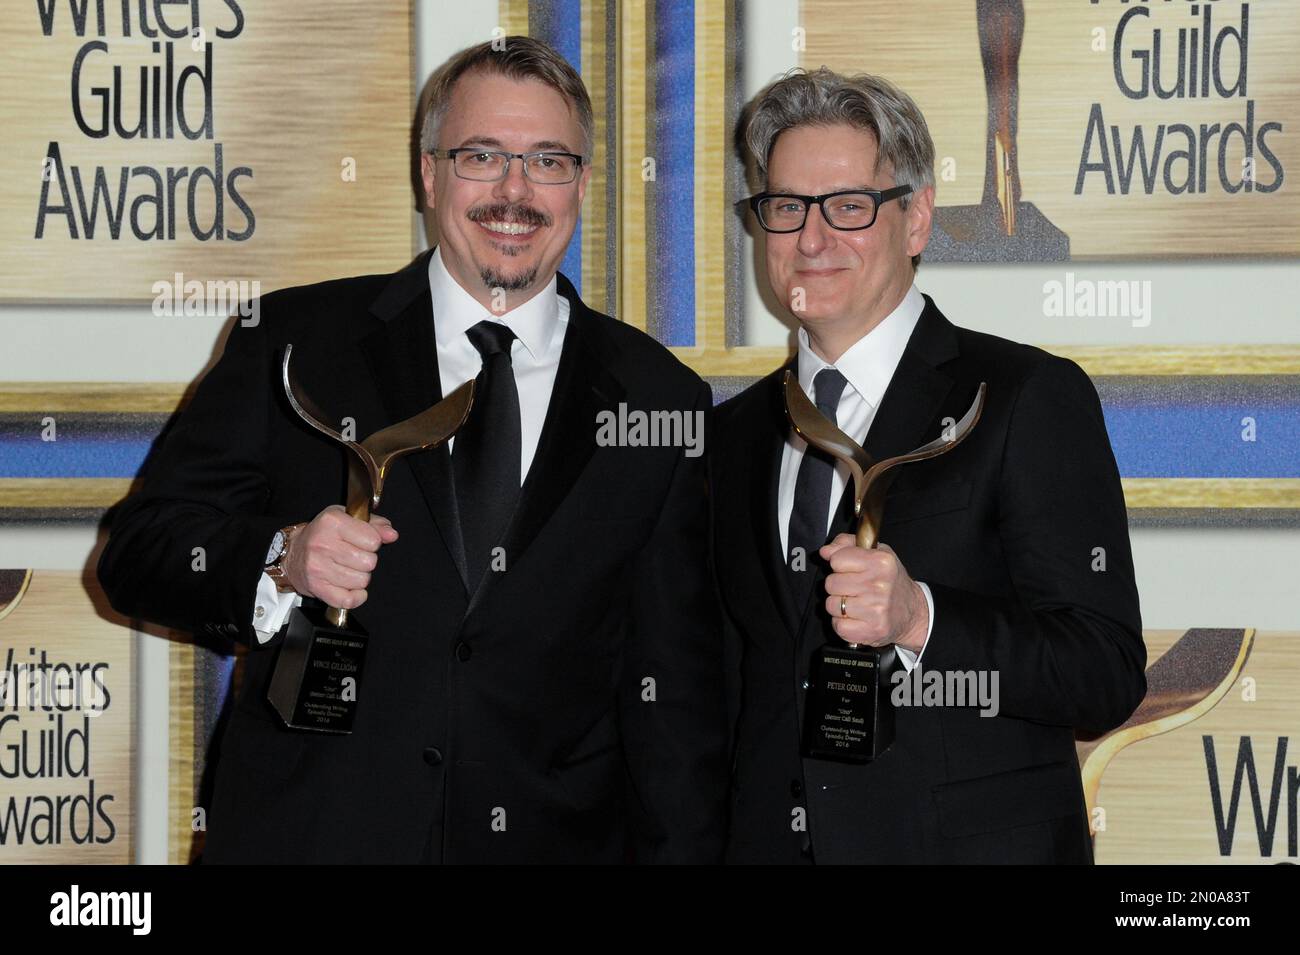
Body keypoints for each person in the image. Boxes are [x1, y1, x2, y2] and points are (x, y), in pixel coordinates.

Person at [98, 36, 728, 864]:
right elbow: (136, 555)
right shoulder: (295, 344)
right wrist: (281, 558)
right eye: (481, 155)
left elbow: (674, 704)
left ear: (581, 182)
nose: (514, 190)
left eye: (547, 159)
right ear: (429, 174)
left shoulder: (658, 397)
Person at [711, 67, 1146, 864]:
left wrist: (922, 619)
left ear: (915, 219)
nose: (812, 239)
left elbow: (1105, 673)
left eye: (848, 206)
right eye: (786, 208)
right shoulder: (729, 437)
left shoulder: (1025, 397)